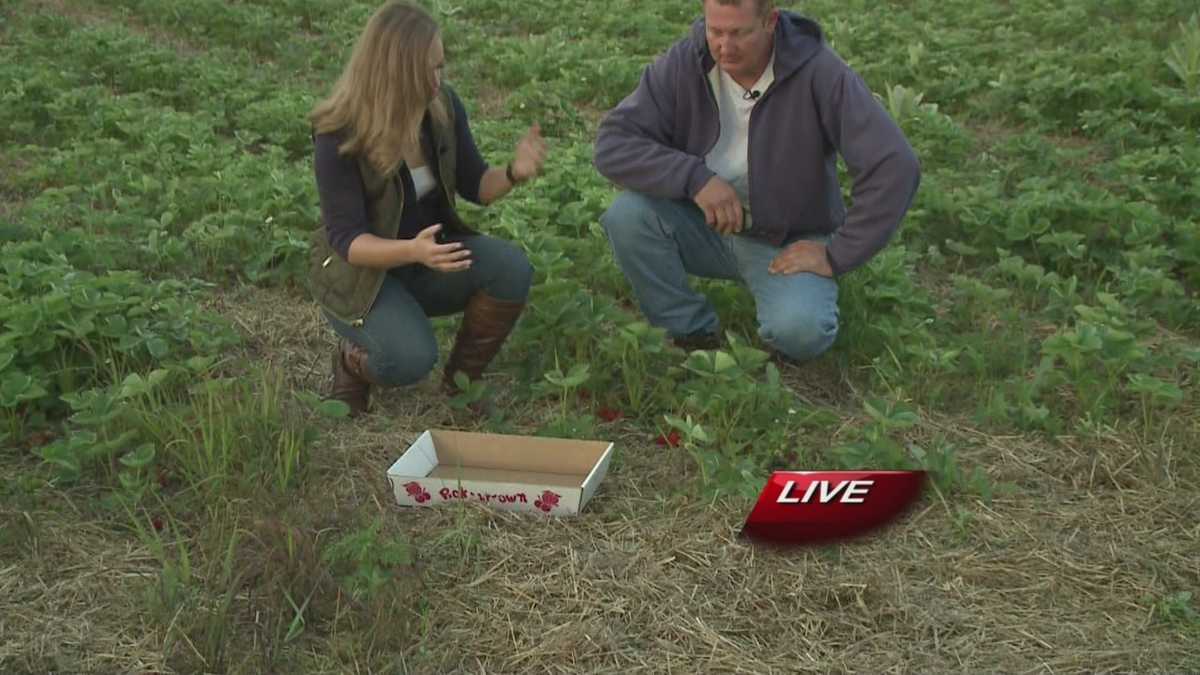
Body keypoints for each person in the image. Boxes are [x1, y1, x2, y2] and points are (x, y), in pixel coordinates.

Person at [593, 0, 920, 362]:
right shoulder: (685, 63)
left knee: (801, 332)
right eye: (715, 31)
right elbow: (613, 143)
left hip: (786, 239)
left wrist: (837, 253)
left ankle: (787, 322)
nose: (724, 46)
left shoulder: (820, 72)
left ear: (770, 21)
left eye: (739, 33)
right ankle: (689, 330)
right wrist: (695, 179)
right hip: (705, 223)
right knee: (628, 215)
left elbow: (894, 164)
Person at [307, 1, 547, 417]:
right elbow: (348, 241)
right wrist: (413, 251)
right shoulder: (339, 134)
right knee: (410, 359)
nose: (439, 79)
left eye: (442, 66)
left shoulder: (441, 108)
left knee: (510, 268)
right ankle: (351, 361)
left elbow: (476, 184)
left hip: (425, 259)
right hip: (362, 278)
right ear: (395, 71)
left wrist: (513, 172)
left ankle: (461, 387)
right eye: (428, 70)